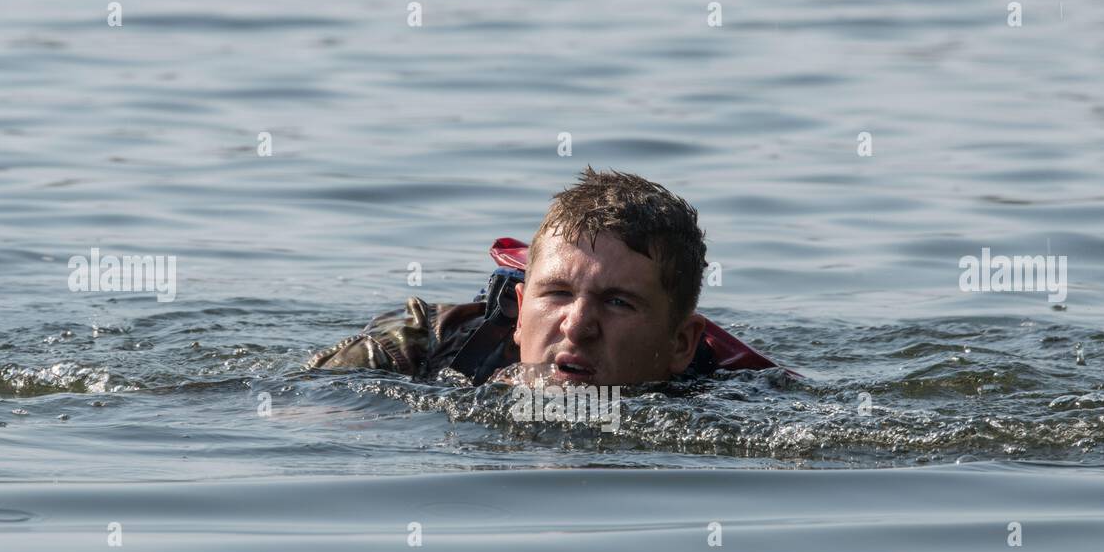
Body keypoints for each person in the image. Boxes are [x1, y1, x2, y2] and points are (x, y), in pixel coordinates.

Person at [305, 166, 790, 386]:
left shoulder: (729, 402)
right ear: (518, 311)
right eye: (557, 293)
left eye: (619, 302)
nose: (577, 325)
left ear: (682, 345)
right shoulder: (412, 349)